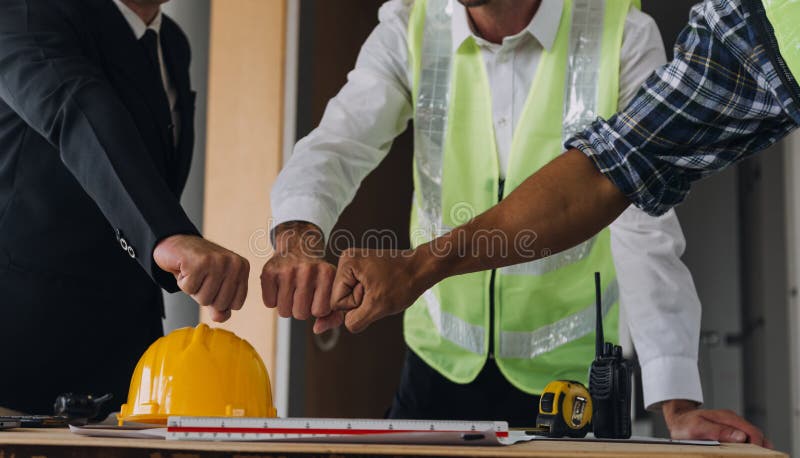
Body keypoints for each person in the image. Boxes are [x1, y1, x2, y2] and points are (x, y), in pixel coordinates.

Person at [264, 0, 765, 445]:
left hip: (569, 384)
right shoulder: (409, 26)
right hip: (438, 366)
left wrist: (675, 402)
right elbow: (337, 145)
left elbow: (644, 225)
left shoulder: (623, 33)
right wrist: (297, 238)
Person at [0, 0, 249, 416]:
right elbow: (77, 109)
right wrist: (168, 234)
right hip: (21, 355)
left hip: (127, 367)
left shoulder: (172, 44)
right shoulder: (26, 12)